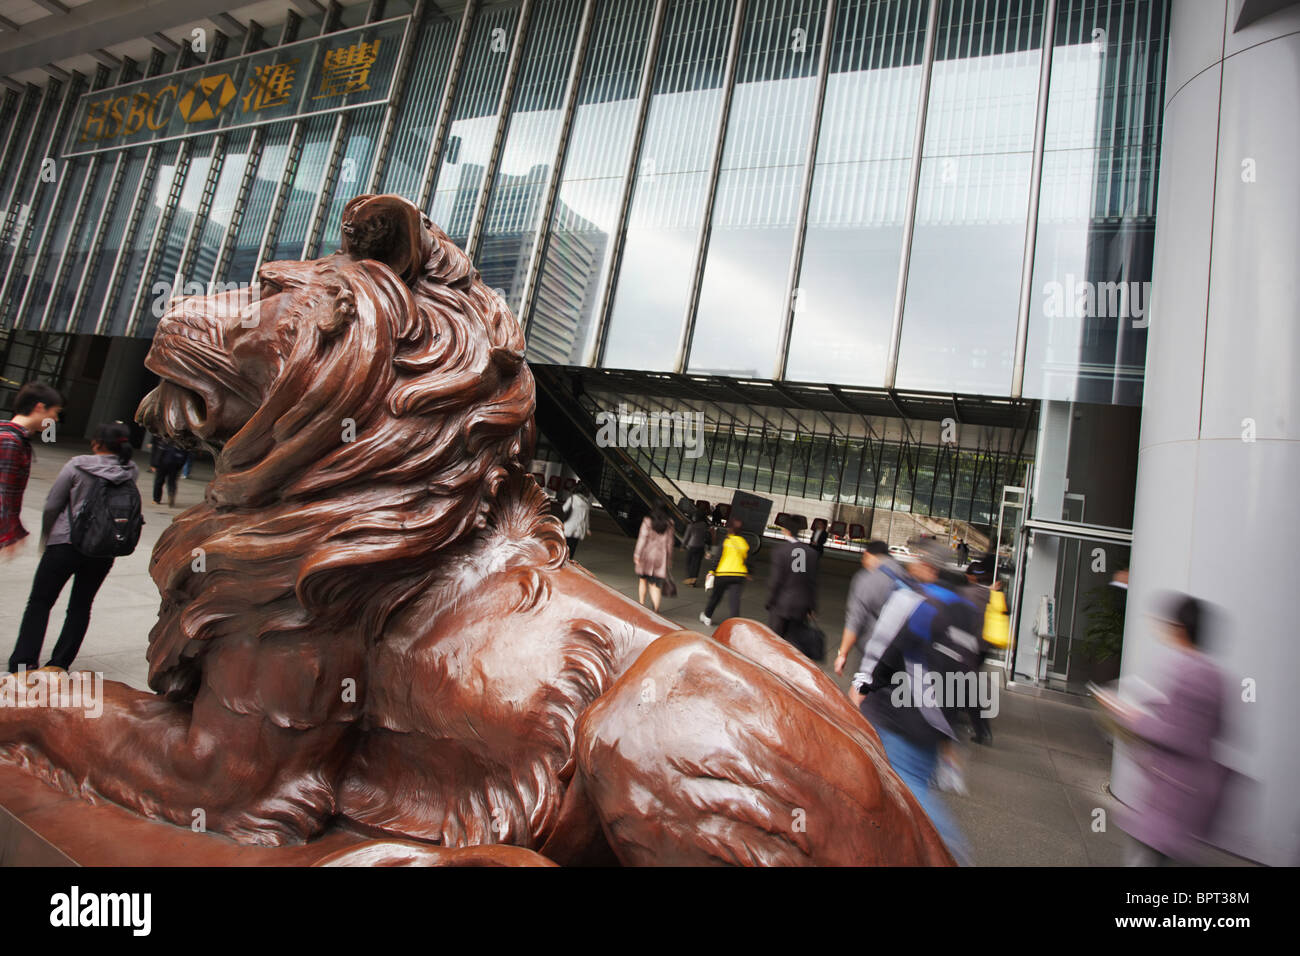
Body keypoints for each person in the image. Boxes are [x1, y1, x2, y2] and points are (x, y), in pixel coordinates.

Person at [851, 539, 982, 864]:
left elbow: (894, 650)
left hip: (908, 711)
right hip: (944, 711)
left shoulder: (923, 604)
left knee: (909, 786)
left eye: (919, 561)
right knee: (915, 781)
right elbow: (971, 663)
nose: (913, 565)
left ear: (930, 568)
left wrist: (863, 687)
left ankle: (952, 852)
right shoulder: (966, 608)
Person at [1095, 593, 1227, 866]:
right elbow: (1211, 727)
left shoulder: (1187, 672)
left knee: (1145, 860)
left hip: (1172, 795)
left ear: (1180, 629)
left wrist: (1127, 713)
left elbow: (1176, 734)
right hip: (1194, 793)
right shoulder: (1214, 675)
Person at [7, 422, 139, 674]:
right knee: (80, 606)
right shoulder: (130, 471)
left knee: (40, 603)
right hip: (103, 549)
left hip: (64, 545)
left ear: (96, 443)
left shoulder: (77, 465)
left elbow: (52, 505)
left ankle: (23, 664)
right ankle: (59, 664)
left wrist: (47, 536)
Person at [0, 382, 64, 554]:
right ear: (40, 407)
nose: (56, 419)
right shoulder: (10, 441)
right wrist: (7, 533)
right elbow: (3, 490)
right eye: (55, 412)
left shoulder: (15, 438)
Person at [834, 540, 908, 677]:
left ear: (868, 555)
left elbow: (855, 619)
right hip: (902, 651)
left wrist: (842, 653)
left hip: (874, 650)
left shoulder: (866, 579)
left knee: (860, 691)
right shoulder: (905, 575)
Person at [765, 514, 820, 657]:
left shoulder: (780, 551)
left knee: (774, 642)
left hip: (781, 605)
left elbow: (776, 581)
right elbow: (812, 583)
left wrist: (770, 601)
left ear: (786, 530)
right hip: (801, 605)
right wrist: (812, 607)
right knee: (793, 644)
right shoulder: (811, 553)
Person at [700, 517, 748, 626]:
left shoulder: (726, 541)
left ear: (729, 528)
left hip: (723, 574)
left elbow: (718, 558)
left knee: (716, 596)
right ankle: (735, 623)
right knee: (734, 601)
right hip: (739, 575)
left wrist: (712, 571)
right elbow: (747, 560)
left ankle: (707, 616)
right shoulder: (744, 543)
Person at [633, 501, 675, 612]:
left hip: (646, 555)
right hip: (660, 558)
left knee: (643, 581)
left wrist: (637, 554)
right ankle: (656, 610)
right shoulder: (669, 523)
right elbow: (670, 543)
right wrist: (669, 559)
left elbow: (642, 538)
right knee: (655, 585)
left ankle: (641, 604)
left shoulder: (647, 521)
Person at [150, 434, 187, 507]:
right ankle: (171, 495)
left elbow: (159, 451)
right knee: (172, 482)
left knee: (159, 481)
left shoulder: (164, 437)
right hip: (175, 463)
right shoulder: (181, 441)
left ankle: (156, 499)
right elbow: (185, 454)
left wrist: (154, 464)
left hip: (163, 462)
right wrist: (180, 465)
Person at [681, 503, 713, 586]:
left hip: (692, 547)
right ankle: (694, 580)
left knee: (689, 563)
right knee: (696, 564)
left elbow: (686, 537)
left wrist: (683, 545)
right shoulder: (705, 526)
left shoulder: (691, 525)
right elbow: (708, 537)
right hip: (701, 547)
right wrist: (708, 548)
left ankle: (690, 578)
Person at [561, 481, 591, 560]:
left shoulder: (572, 498)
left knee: (565, 544)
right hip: (578, 528)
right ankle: (569, 561)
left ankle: (562, 560)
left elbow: (564, 509)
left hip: (569, 526)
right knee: (573, 546)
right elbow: (586, 517)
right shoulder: (586, 502)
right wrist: (587, 528)